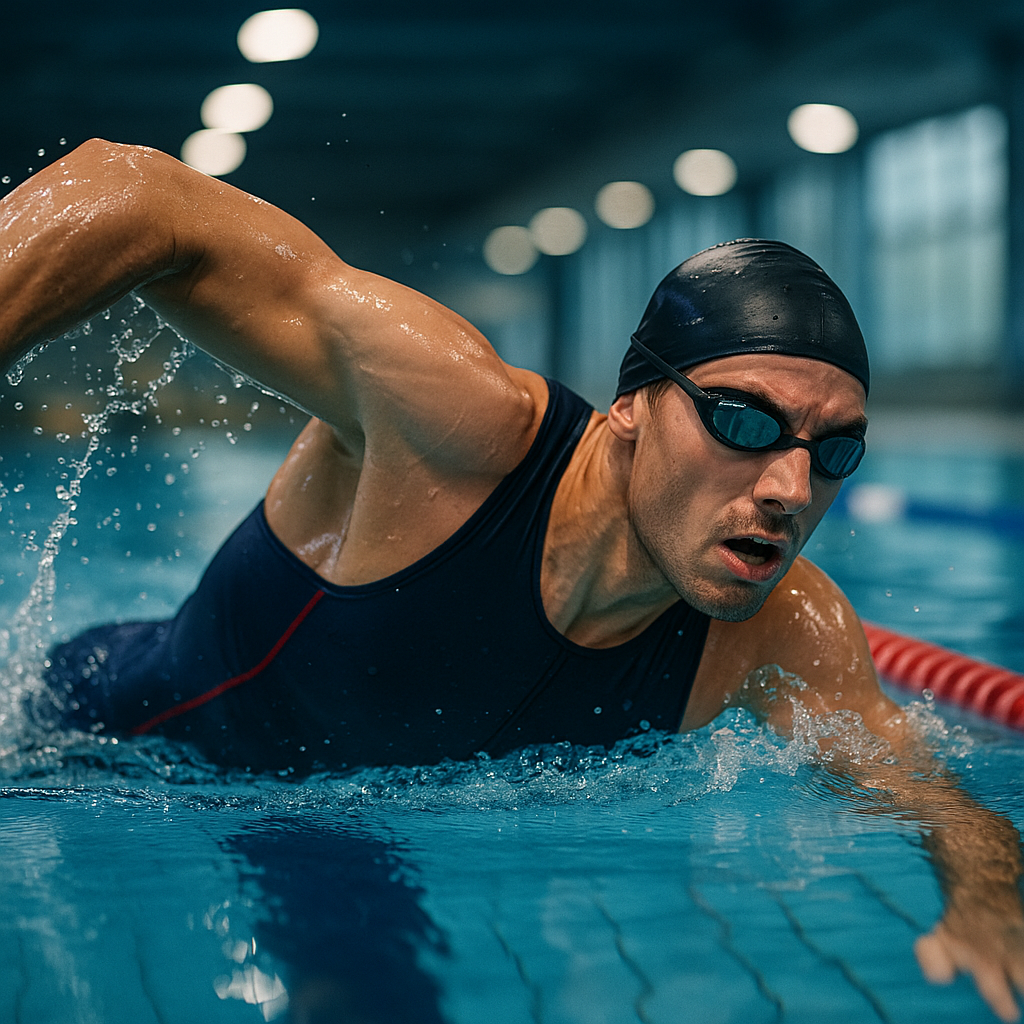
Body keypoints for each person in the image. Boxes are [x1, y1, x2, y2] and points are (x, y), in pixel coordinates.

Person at [2, 139, 1023, 1019]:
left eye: (832, 450)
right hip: (89, 740)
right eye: (742, 420)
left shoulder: (779, 630)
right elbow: (137, 193)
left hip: (340, 841)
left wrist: (989, 889)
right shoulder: (460, 429)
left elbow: (922, 784)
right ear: (632, 405)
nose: (790, 486)